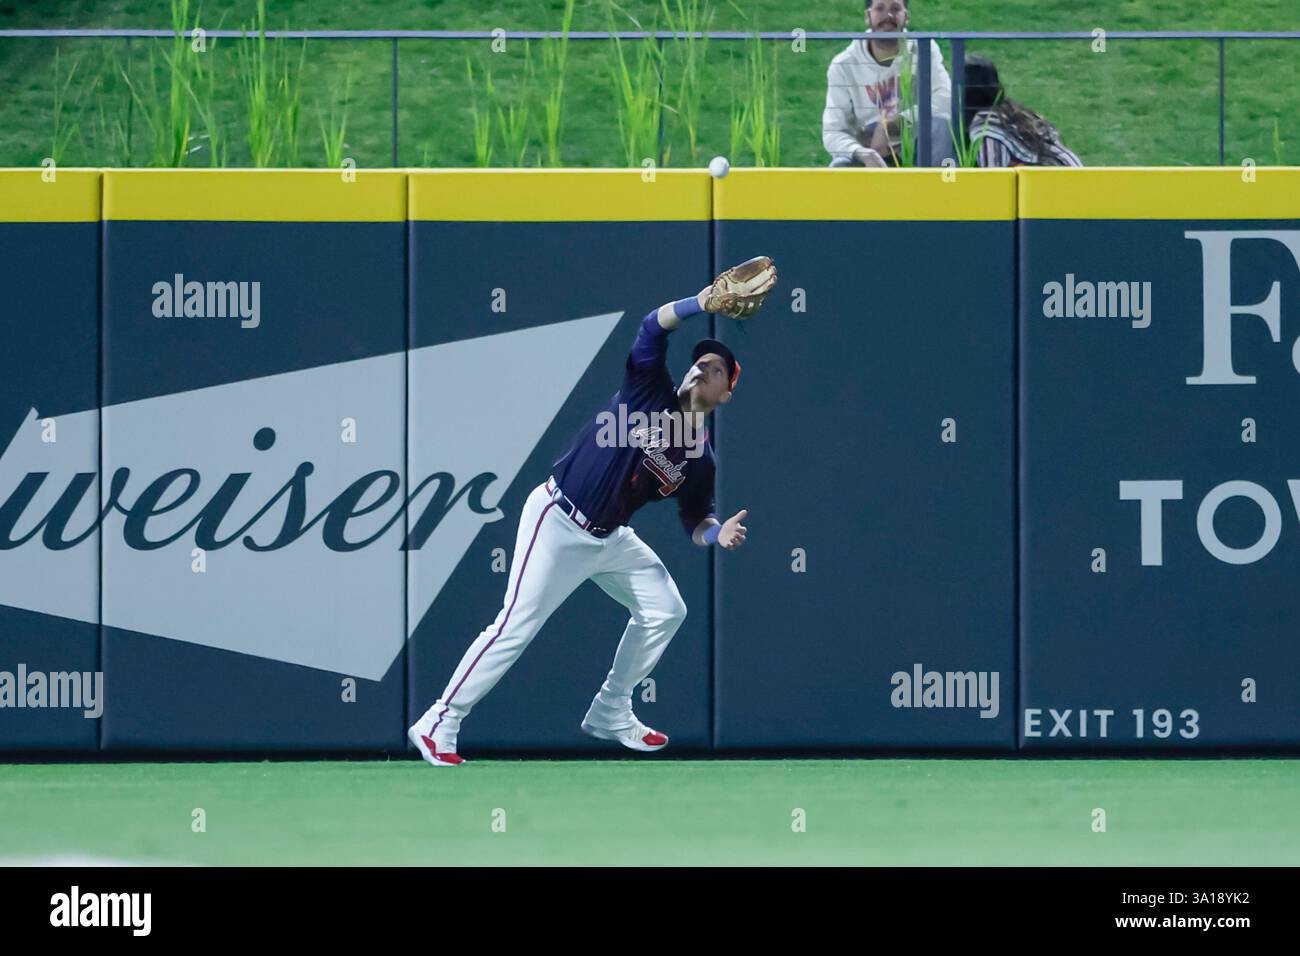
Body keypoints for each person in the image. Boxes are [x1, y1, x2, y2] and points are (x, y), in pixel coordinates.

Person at [407, 257, 778, 766]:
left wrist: (716, 536)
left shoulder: (701, 460)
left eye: (714, 368)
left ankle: (611, 711)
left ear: (727, 393)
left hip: (609, 539)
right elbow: (652, 324)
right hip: (557, 518)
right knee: (515, 625)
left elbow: (696, 521)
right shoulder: (647, 388)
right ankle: (438, 723)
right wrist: (701, 303)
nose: (701, 367)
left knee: (666, 609)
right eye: (699, 360)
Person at [823, 0, 954, 167]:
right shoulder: (843, 65)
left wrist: (892, 124)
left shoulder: (924, 50)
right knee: (840, 165)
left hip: (915, 145)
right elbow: (833, 131)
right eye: (880, 8)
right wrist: (862, 152)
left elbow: (945, 99)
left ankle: (935, 191)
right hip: (869, 150)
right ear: (867, 16)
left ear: (906, 17)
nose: (888, 16)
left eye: (895, 8)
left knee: (939, 126)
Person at [962, 55, 1082, 167]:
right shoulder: (1008, 111)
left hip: (1061, 180)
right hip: (1072, 171)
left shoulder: (986, 129)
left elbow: (994, 180)